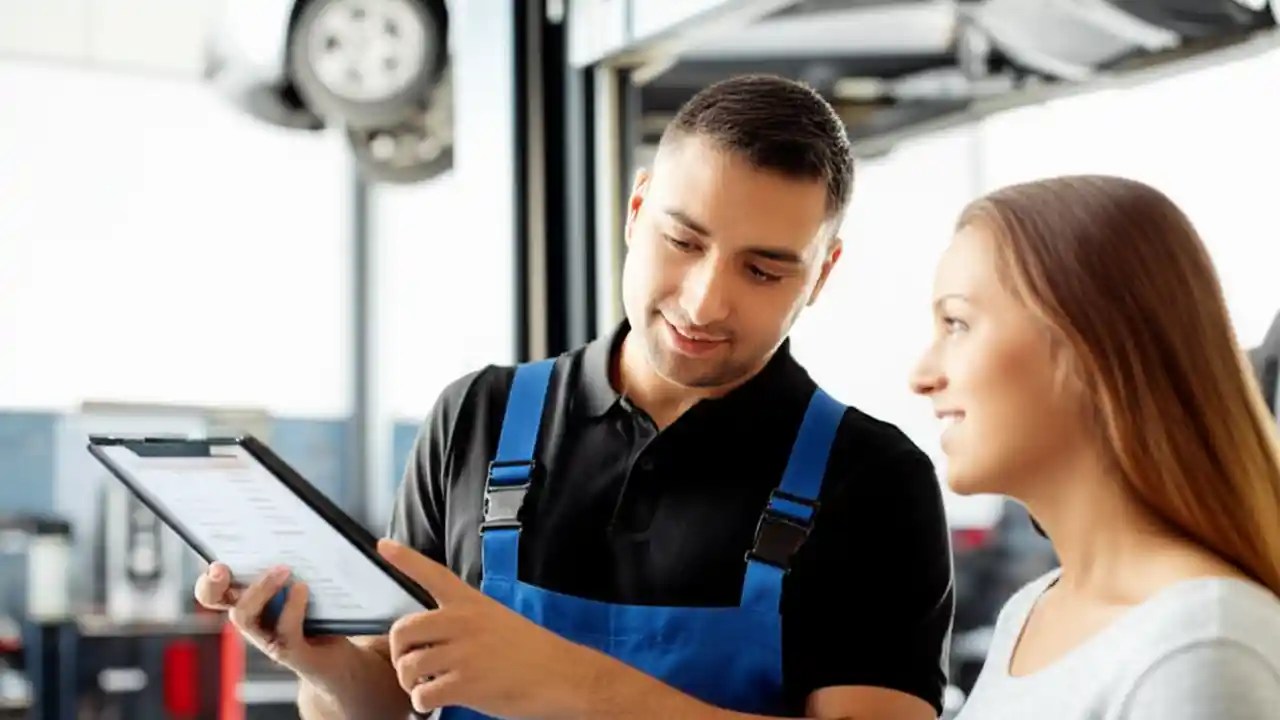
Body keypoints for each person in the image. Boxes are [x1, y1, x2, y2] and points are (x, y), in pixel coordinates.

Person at [195, 74, 955, 719]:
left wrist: (567, 683)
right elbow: (391, 698)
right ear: (636, 210)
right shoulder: (477, 421)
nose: (703, 303)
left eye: (762, 271)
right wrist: (319, 663)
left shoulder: (875, 482)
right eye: (683, 242)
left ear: (821, 275)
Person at [910, 174, 1280, 719]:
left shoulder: (1199, 645)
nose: (922, 375)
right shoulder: (1029, 616)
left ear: (1089, 346)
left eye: (958, 323)